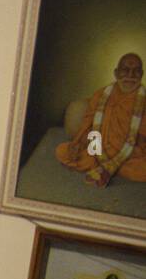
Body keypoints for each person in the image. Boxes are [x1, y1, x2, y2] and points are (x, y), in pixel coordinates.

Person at [56, 53, 146, 187]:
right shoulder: (101, 95)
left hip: (129, 155)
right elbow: (88, 125)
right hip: (98, 149)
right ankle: (109, 167)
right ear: (116, 73)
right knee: (63, 151)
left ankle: (109, 167)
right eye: (125, 70)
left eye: (136, 71)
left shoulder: (143, 101)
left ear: (142, 74)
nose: (130, 75)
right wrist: (78, 143)